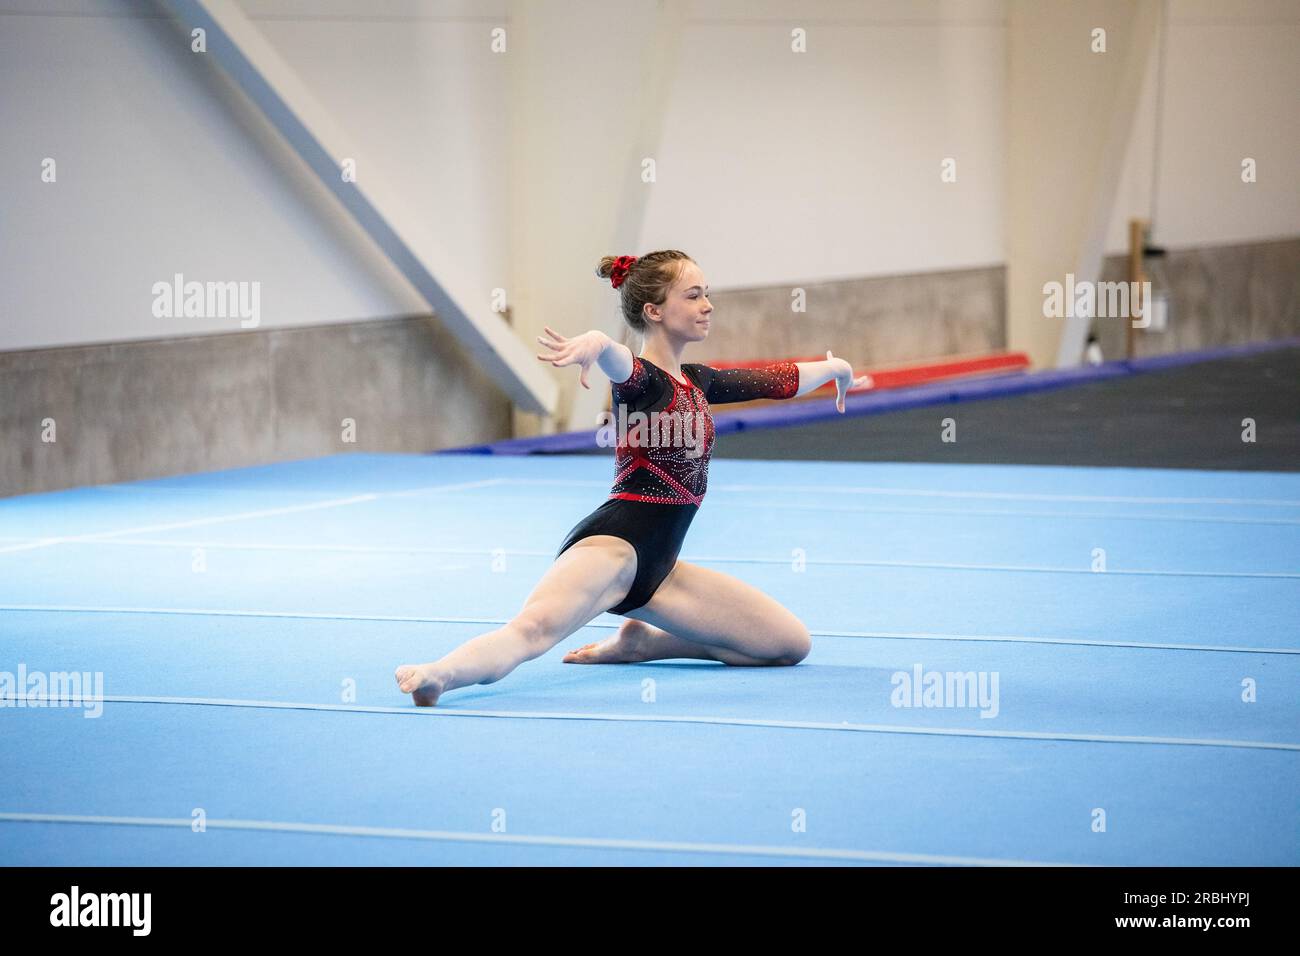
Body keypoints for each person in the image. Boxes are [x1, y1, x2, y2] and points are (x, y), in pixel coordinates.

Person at [395, 250, 871, 706]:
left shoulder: (696, 380)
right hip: (612, 549)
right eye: (693, 295)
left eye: (707, 293)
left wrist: (834, 369)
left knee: (788, 645)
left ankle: (644, 642)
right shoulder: (642, 380)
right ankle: (440, 674)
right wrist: (597, 344)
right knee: (531, 632)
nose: (708, 306)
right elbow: (618, 361)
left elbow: (775, 380)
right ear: (654, 310)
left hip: (662, 569)